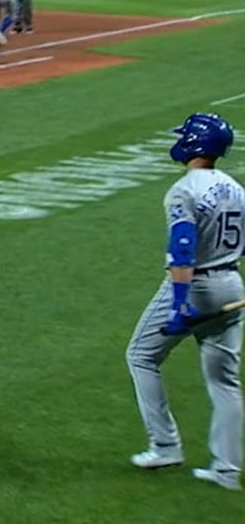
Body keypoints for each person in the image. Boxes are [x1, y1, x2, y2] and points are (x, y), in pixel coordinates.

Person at [126, 112, 243, 492]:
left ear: (194, 144)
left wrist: (179, 304)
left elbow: (182, 250)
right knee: (224, 379)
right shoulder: (236, 188)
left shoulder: (184, 190)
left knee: (142, 356)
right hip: (232, 284)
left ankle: (165, 445)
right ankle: (226, 470)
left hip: (195, 287)